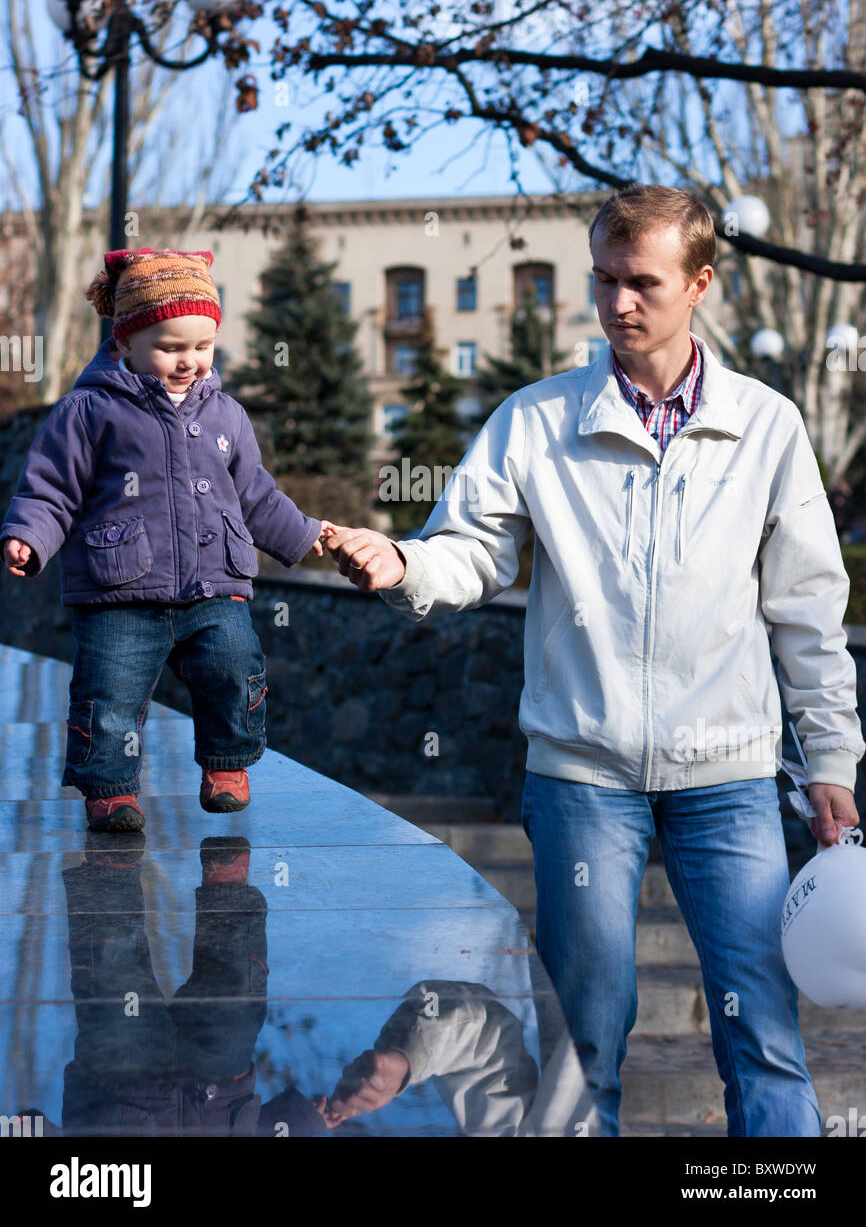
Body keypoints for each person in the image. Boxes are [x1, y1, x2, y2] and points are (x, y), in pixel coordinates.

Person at [323, 185, 865, 1137]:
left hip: (733, 778)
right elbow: (475, 551)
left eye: (642, 282)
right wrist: (406, 559)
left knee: (766, 1038)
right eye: (604, 280)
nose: (618, 303)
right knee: (586, 1047)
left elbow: (809, 614)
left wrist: (831, 759)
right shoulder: (535, 422)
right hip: (580, 777)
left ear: (699, 283)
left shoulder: (767, 425)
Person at [0, 247, 335, 833]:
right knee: (109, 697)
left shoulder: (227, 414)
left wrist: (305, 537)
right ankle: (110, 788)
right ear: (125, 342)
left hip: (214, 586)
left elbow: (254, 493)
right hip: (121, 590)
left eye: (202, 348)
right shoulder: (90, 410)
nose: (190, 362)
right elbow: (53, 488)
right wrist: (30, 534)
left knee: (235, 665)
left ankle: (227, 764)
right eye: (171, 348)